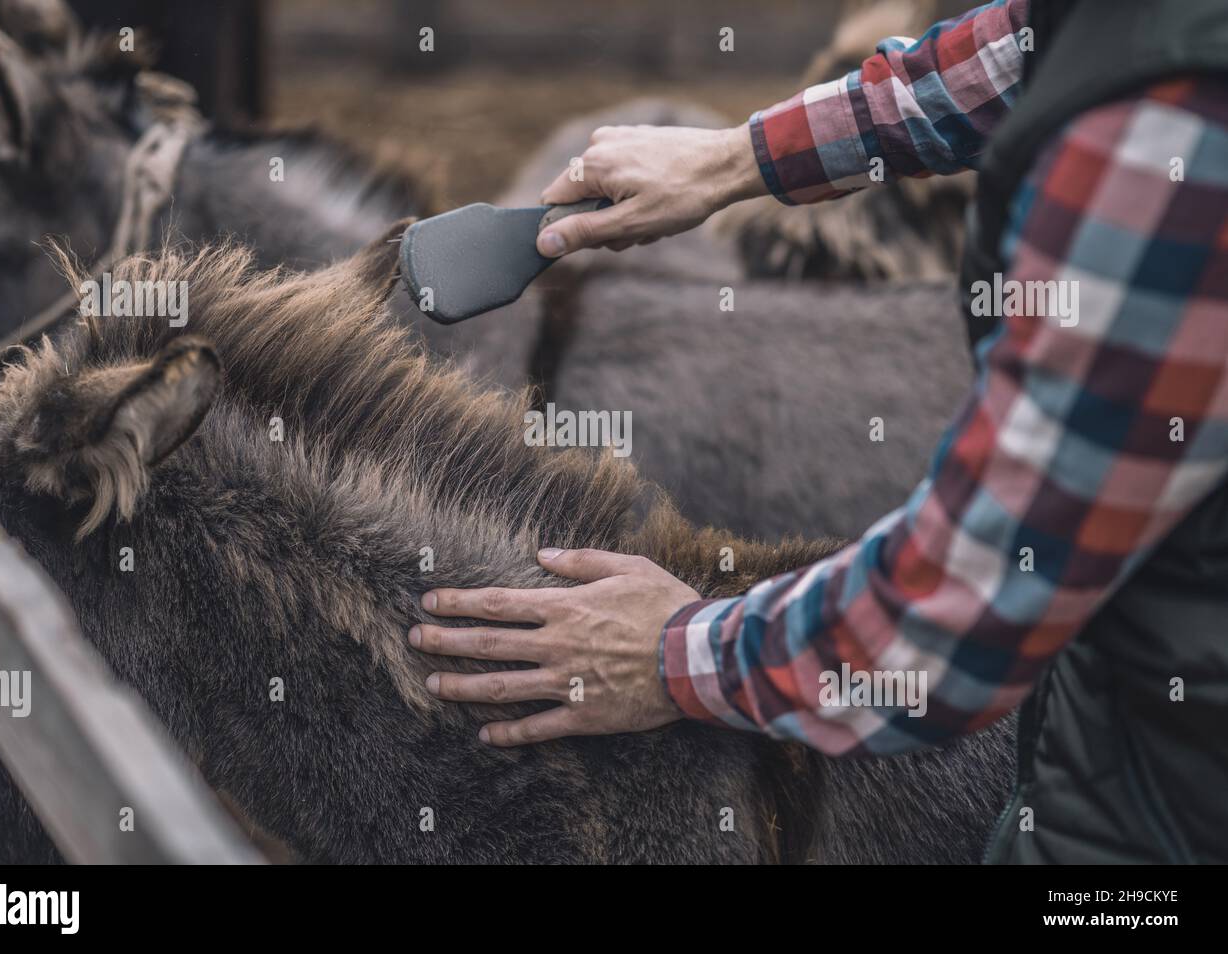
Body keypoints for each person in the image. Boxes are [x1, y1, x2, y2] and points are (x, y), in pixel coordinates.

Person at [406, 0, 1228, 863]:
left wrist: (670, 657)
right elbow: (1023, 48)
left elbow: (966, 607)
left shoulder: (1167, 151)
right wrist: (735, 159)